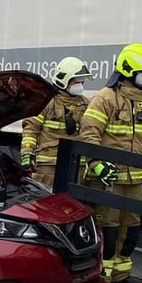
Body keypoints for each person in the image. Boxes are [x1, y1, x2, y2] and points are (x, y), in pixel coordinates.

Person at [79, 43, 142, 283]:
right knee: (107, 229)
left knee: (130, 230)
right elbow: (89, 135)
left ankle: (120, 275)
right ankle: (99, 277)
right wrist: (96, 164)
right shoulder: (105, 98)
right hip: (109, 179)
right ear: (128, 69)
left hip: (136, 180)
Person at [21, 56, 93, 187]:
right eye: (77, 82)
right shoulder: (45, 101)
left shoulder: (87, 104)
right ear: (64, 80)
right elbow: (31, 129)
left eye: (82, 82)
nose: (80, 86)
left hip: (76, 168)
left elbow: (92, 134)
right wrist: (27, 153)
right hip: (48, 169)